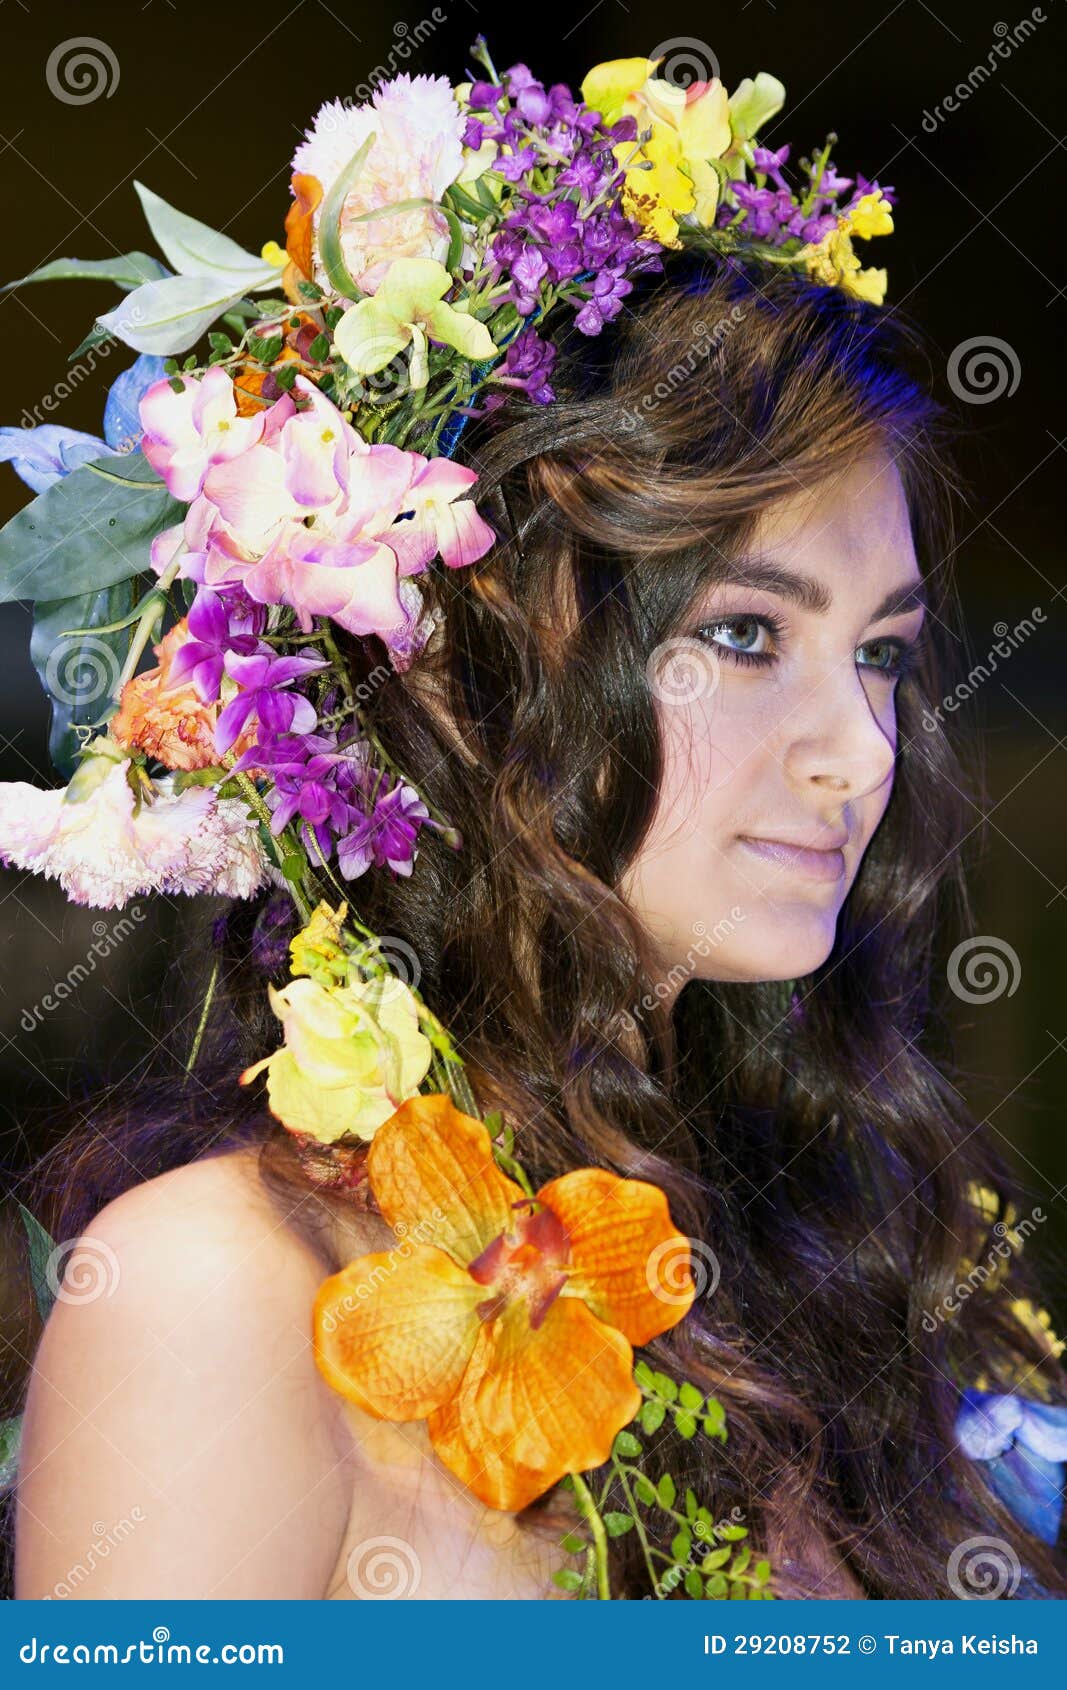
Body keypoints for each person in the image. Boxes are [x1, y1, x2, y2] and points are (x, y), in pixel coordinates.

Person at [10, 249, 1066, 1600]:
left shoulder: (819, 1264)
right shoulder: (216, 1291)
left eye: (879, 652)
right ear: (459, 654)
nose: (861, 755)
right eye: (746, 633)